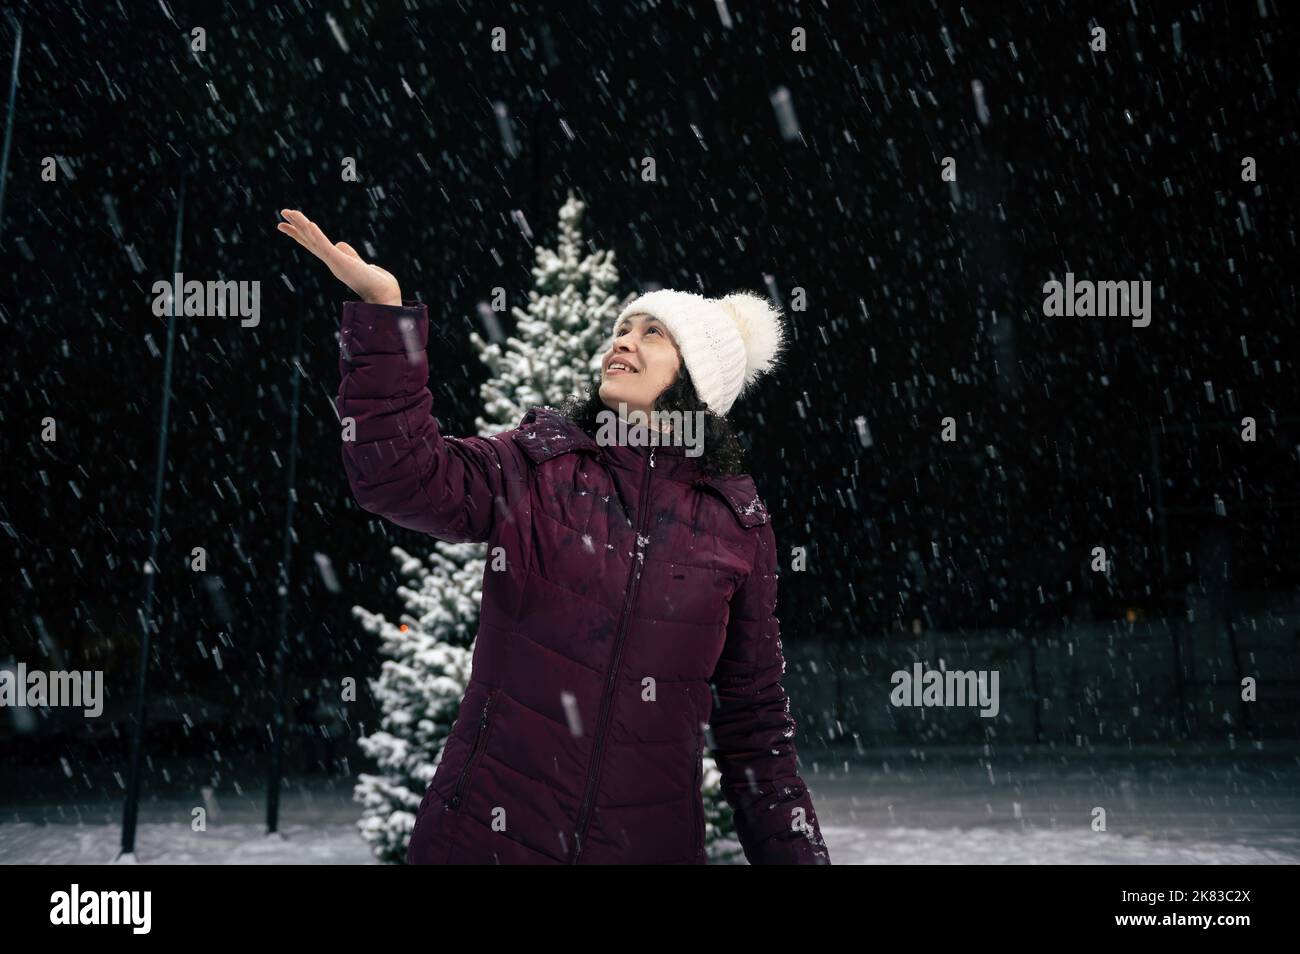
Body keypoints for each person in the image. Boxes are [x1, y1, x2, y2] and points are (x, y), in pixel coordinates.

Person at [276, 209, 831, 865]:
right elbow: (399, 477)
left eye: (653, 333)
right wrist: (383, 313)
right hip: (484, 838)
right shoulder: (541, 464)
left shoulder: (737, 527)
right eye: (623, 327)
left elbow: (756, 724)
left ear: (699, 380)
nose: (623, 341)